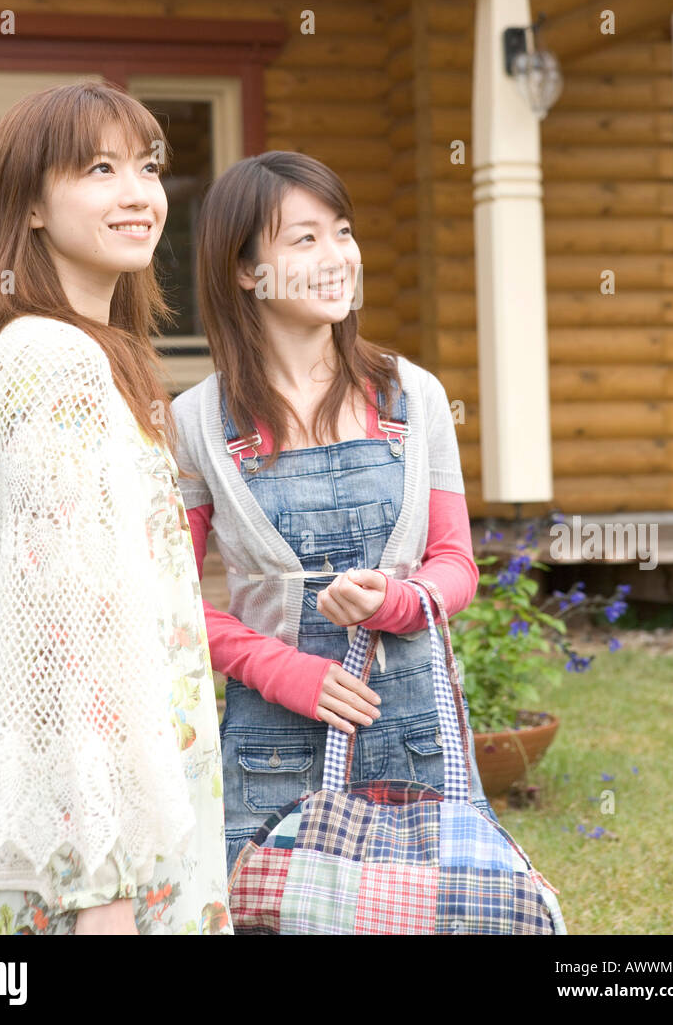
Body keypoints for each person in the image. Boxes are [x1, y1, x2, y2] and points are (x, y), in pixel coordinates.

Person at [171, 150, 500, 878]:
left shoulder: (413, 396)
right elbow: (174, 604)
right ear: (245, 270)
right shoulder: (194, 424)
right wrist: (285, 670)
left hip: (417, 732)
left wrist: (402, 600)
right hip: (274, 745)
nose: (338, 256)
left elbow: (456, 564)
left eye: (343, 232)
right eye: (305, 238)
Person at [0, 78, 232, 936]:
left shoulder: (94, 353)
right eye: (98, 169)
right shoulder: (56, 362)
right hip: (109, 847)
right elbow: (63, 635)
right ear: (31, 208)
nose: (137, 193)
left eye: (147, 167)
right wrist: (99, 887)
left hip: (134, 806)